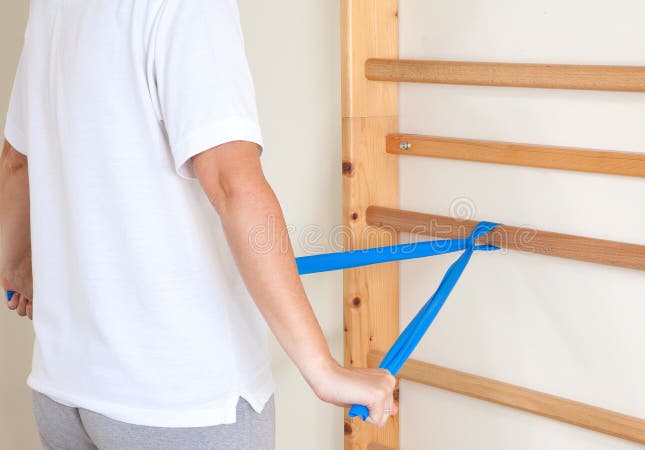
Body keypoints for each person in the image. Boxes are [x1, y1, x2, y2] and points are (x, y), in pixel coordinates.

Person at [0, 1, 396, 449]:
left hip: (64, 392)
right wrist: (322, 368)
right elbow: (231, 184)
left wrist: (14, 268)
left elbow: (17, 161)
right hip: (180, 400)